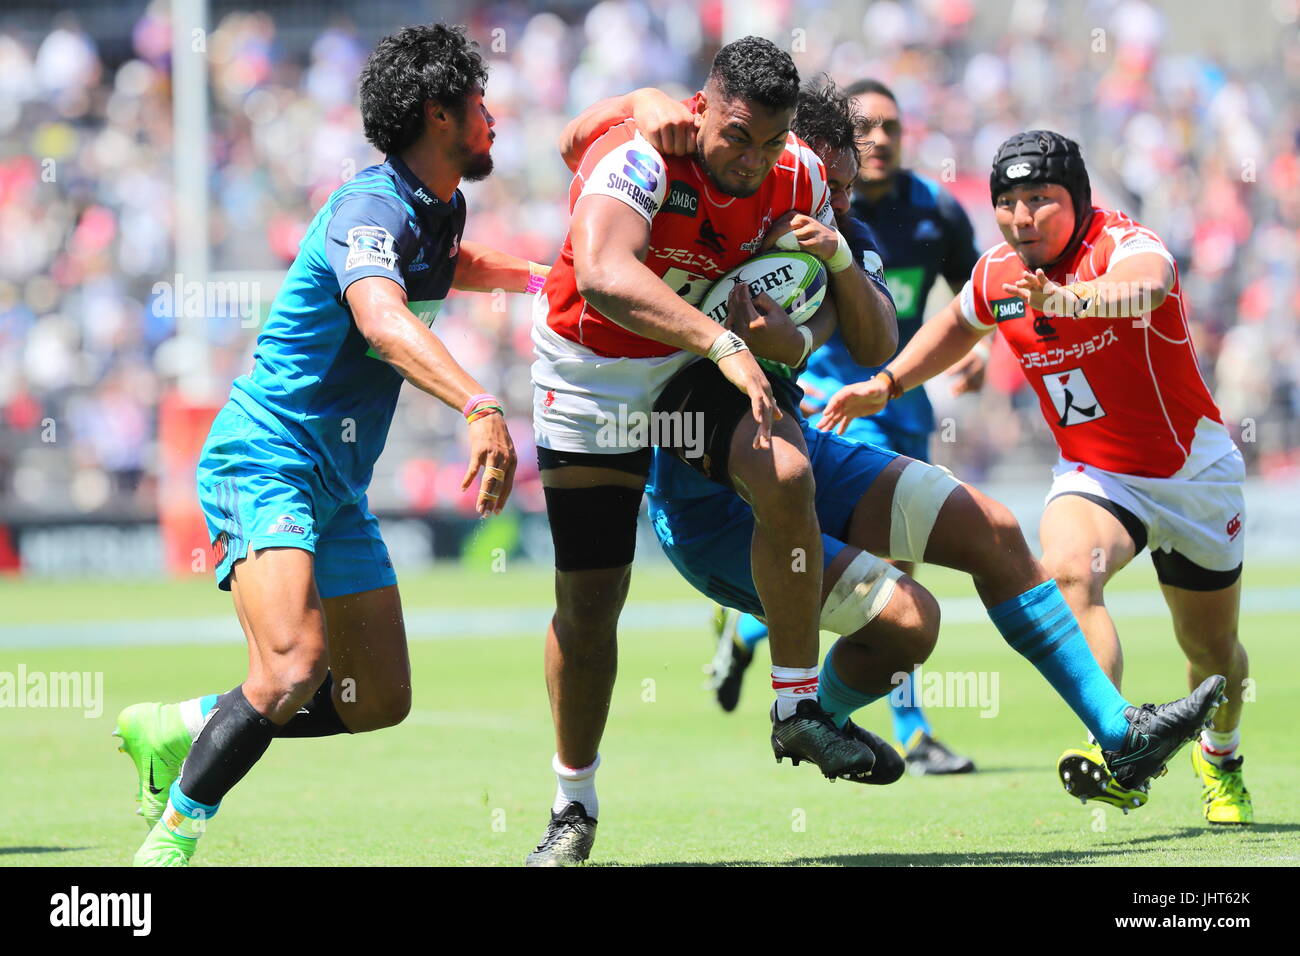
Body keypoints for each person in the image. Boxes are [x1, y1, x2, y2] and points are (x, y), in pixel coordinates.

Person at [645, 84, 1226, 823]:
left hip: (806, 444)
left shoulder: (854, 233)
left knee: (994, 529)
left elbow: (863, 338)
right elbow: (606, 163)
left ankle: (1121, 737)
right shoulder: (709, 206)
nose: (847, 202)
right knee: (910, 623)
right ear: (794, 165)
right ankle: (797, 710)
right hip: (711, 502)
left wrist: (838, 298)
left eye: (853, 183)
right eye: (837, 184)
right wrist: (638, 100)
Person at [113, 24, 543, 866]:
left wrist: (540, 278)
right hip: (264, 456)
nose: (493, 116)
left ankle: (182, 725)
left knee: (376, 696)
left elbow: (449, 264)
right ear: (440, 114)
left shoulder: (438, 205)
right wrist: (479, 401)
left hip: (334, 484)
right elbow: (381, 317)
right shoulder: (370, 206)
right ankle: (171, 843)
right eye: (479, 102)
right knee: (293, 666)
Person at [819, 130, 1251, 823]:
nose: (1022, 217)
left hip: (1192, 475)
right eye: (1008, 202)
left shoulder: (1123, 244)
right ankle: (1117, 747)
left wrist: (1072, 302)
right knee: (1069, 571)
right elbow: (960, 325)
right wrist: (888, 383)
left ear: (1078, 201)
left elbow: (1151, 284)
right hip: (1099, 478)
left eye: (1040, 200)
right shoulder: (999, 275)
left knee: (1211, 651)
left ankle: (1220, 756)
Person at [525, 39, 888, 867]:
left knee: (787, 473)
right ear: (702, 110)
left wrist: (795, 334)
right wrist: (724, 342)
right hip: (592, 374)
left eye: (771, 141)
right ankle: (572, 803)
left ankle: (797, 706)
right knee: (590, 606)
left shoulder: (797, 173)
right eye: (737, 137)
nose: (753, 161)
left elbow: (839, 312)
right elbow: (605, 270)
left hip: (689, 366)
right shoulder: (644, 155)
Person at [706, 78, 981, 776]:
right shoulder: (782, 202)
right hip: (828, 403)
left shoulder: (933, 213)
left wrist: (975, 349)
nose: (882, 137)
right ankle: (906, 725)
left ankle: (746, 635)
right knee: (868, 568)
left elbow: (974, 290)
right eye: (871, 126)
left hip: (901, 402)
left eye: (892, 125)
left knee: (862, 568)